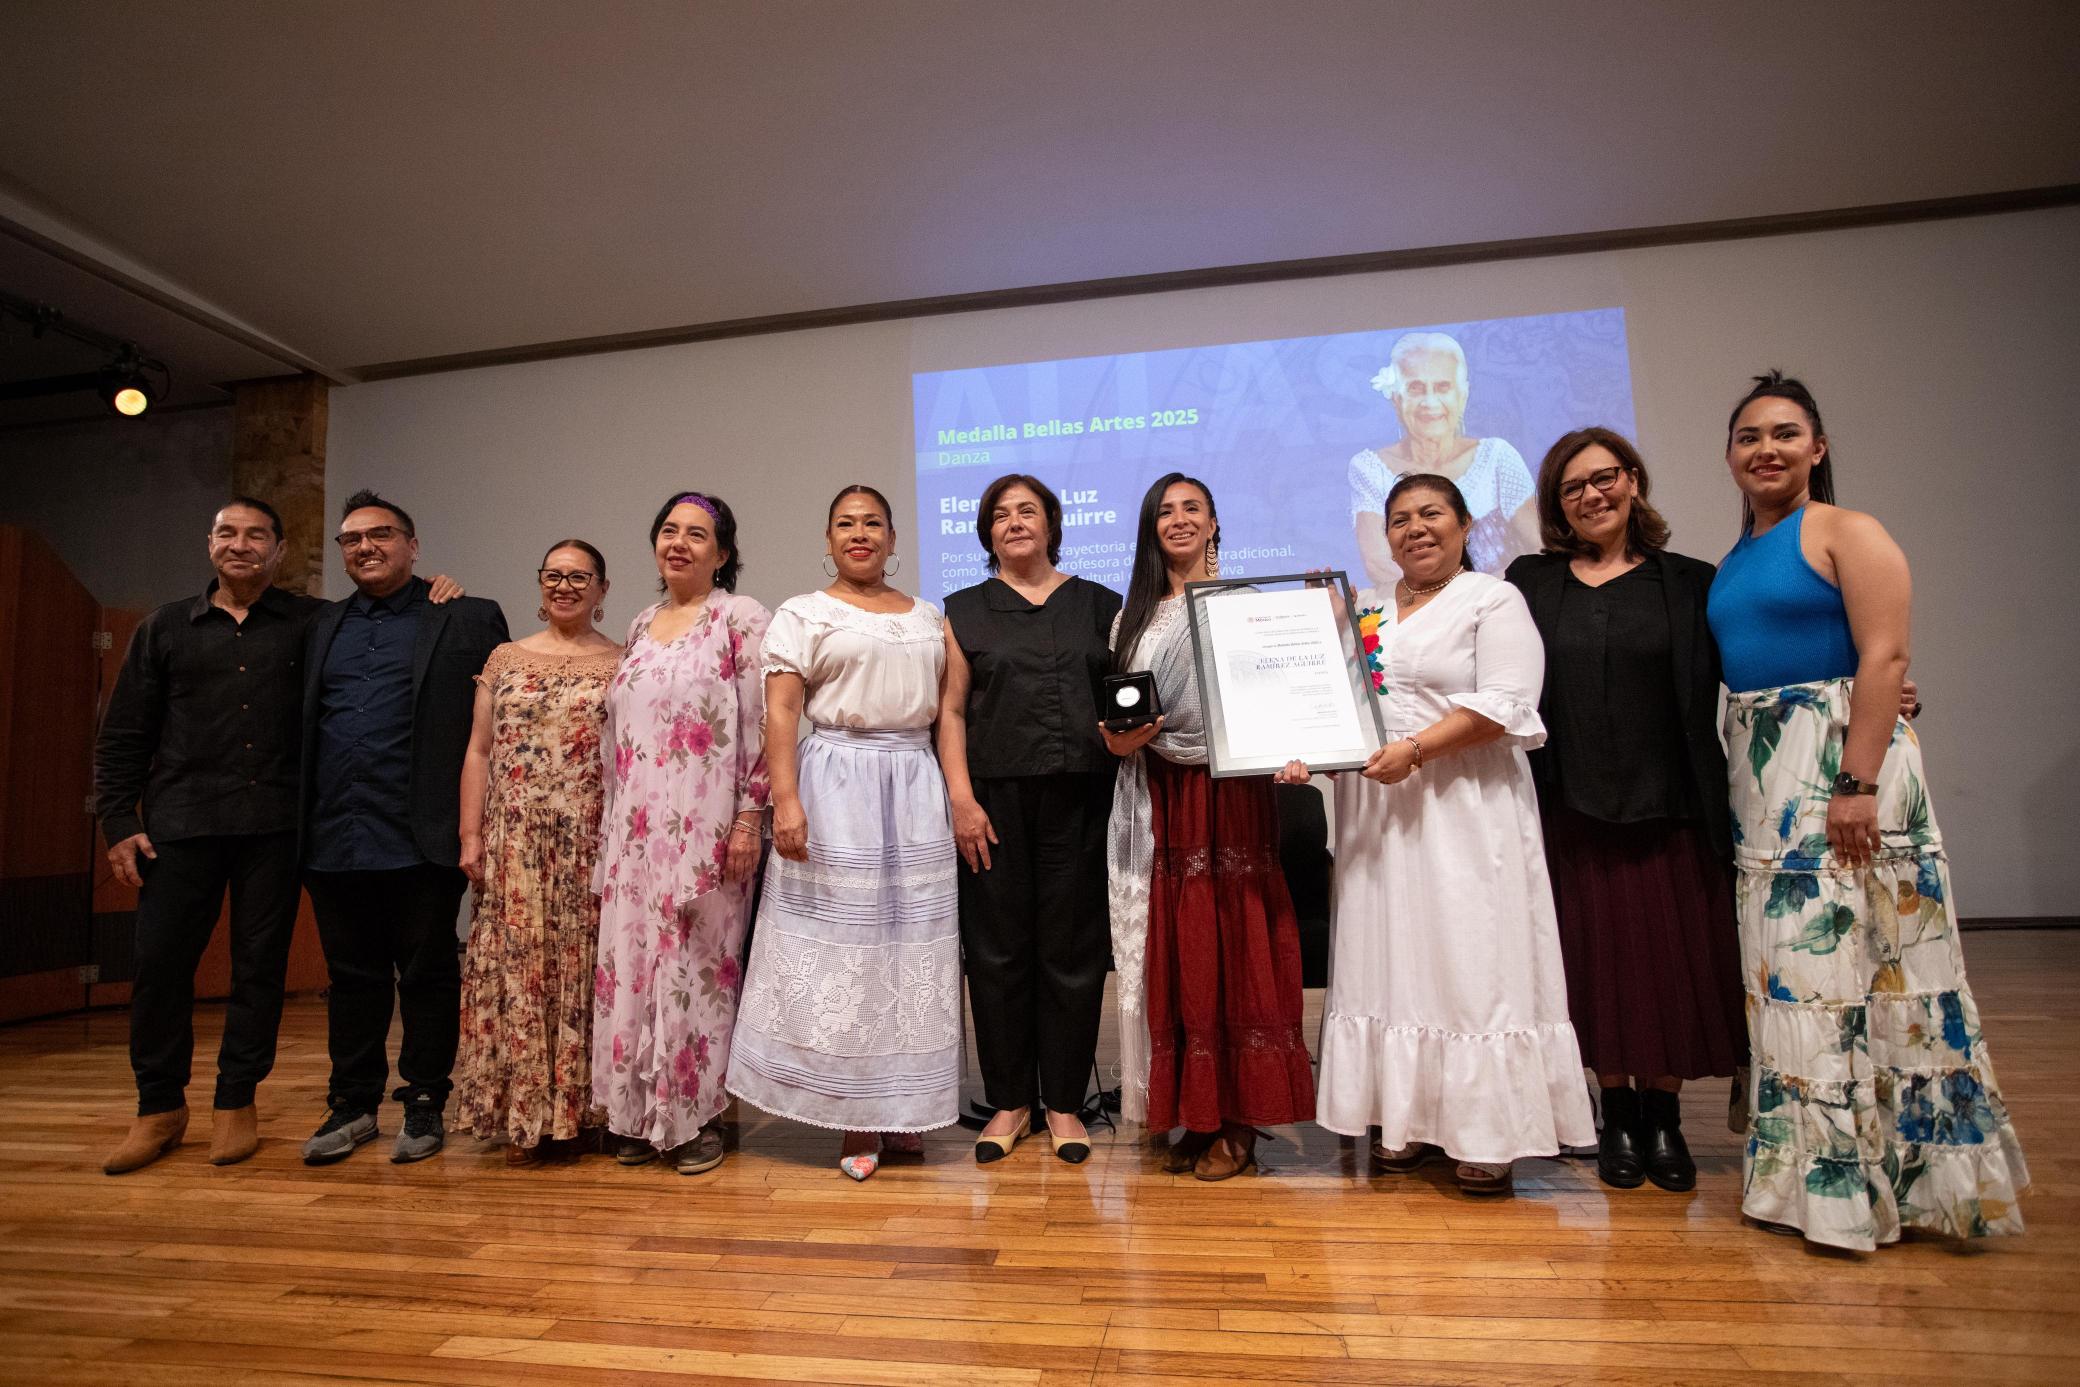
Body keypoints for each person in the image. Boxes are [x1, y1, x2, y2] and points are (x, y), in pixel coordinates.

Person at [1707, 372, 2027, 1250]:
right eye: (1747, 437)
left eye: (1783, 433)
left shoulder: (1848, 530)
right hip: (1765, 787)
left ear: (1819, 446)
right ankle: (1817, 1181)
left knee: (1879, 972)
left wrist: (1856, 783)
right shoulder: (1736, 559)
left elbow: (1886, 654)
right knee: (1800, 982)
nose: (1764, 449)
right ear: (1730, 456)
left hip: (1842, 778)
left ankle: (1910, 1188)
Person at [93, 498, 463, 1175]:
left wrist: (438, 590)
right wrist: (119, 821)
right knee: (159, 970)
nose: (240, 544)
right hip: (178, 827)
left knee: (258, 972)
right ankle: (158, 1105)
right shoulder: (165, 627)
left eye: (255, 534)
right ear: (210, 544)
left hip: (275, 829)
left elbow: (388, 617)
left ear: (279, 549)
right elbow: (122, 733)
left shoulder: (313, 623)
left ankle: (236, 1100)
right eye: (227, 533)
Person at [1282, 473, 1591, 1197]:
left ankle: (1486, 1131)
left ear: (1463, 524)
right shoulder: (1362, 608)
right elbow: (1342, 708)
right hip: (1379, 812)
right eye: (1399, 519)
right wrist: (1306, 754)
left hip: (1464, 805)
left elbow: (1508, 703)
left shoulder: (1494, 598)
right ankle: (1407, 1119)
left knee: (1469, 959)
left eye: (1431, 514)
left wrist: (1417, 750)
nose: (1415, 528)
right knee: (1392, 956)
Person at [1504, 430, 1748, 1192]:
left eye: (1604, 478)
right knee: (1596, 967)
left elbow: (1760, 664)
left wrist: (1879, 694)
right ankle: (1614, 1110)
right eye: (1573, 488)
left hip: (1671, 810)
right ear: (1557, 507)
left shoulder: (1693, 582)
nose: (1592, 495)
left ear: (1634, 481)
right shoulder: (1531, 583)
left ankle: (1663, 1117)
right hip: (1571, 812)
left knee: (1672, 966)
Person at [724, 485, 960, 1180]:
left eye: (873, 523)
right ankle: (855, 1111)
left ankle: (903, 1108)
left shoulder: (929, 616)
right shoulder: (804, 612)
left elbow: (948, 711)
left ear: (893, 540)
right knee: (847, 950)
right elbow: (782, 713)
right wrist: (786, 802)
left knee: (909, 949)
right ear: (828, 540)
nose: (860, 534)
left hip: (913, 786)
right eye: (845, 524)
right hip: (836, 786)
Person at [1106, 473, 1315, 1182]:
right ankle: (1194, 1111)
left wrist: (1299, 746)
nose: (1179, 519)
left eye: (1192, 507)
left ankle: (1239, 1121)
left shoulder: (1246, 606)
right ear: (1149, 528)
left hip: (1232, 792)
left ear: (1216, 522)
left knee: (1234, 941)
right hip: (1160, 795)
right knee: (1181, 948)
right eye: (1165, 511)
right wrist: (1123, 741)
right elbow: (1119, 721)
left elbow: (1282, 697)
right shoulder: (1131, 618)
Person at [299, 489, 509, 1166]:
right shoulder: (320, 625)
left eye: (381, 534)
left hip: (422, 833)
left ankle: (424, 1099)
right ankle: (353, 1102)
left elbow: (499, 727)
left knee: (426, 972)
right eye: (352, 539)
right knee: (352, 976)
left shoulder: (466, 616)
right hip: (335, 834)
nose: (365, 547)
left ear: (413, 545)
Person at [940, 474, 1120, 1165]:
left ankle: (1066, 1103)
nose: (1015, 522)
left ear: (1052, 523)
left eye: (1028, 511)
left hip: (1080, 797)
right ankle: (1011, 1100)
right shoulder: (962, 611)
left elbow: (1121, 702)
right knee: (997, 952)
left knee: (1071, 954)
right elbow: (951, 711)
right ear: (987, 532)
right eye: (1001, 515)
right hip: (992, 804)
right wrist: (960, 797)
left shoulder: (1100, 605)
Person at [591, 495, 770, 1175]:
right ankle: (640, 1115)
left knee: (699, 973)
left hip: (709, 832)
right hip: (636, 835)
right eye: (669, 530)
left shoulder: (741, 618)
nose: (680, 543)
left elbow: (760, 725)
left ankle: (695, 1119)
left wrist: (751, 815)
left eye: (698, 534)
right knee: (634, 972)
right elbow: (618, 739)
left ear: (721, 553)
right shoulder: (639, 623)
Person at [453, 540, 621, 1165]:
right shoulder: (504, 658)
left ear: (603, 590)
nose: (566, 586)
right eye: (554, 575)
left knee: (583, 972)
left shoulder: (622, 662)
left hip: (589, 839)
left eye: (580, 577)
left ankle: (584, 1114)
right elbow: (478, 751)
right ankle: (526, 1115)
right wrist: (472, 835)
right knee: (522, 972)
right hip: (514, 840)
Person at [1349, 330, 1537, 587]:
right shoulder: (1369, 468)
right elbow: (1378, 564)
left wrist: (1474, 598)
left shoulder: (1497, 456)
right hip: (1417, 617)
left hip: (1503, 600)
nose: (1430, 401)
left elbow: (1538, 549)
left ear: (1463, 394)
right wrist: (1440, 609)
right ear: (1395, 396)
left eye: (1443, 387)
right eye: (1415, 387)